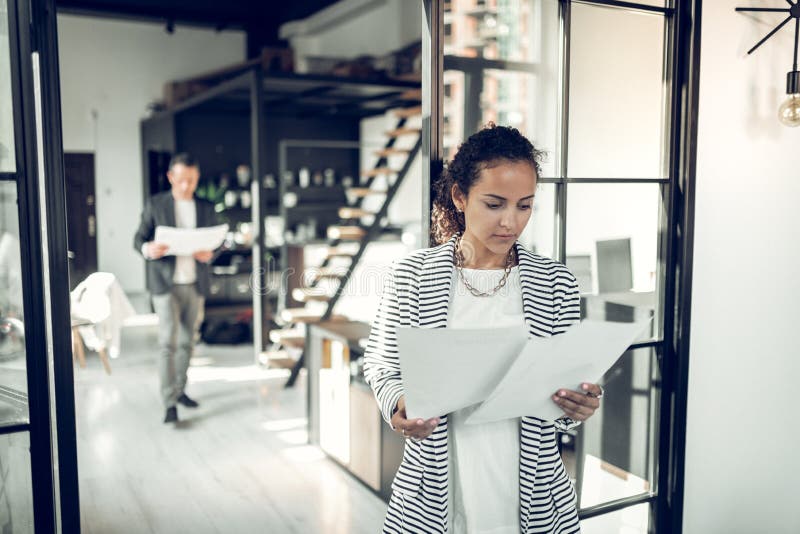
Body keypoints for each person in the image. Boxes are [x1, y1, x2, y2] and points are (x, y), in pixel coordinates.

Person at [363, 124, 603, 533]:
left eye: (524, 206)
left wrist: (580, 403)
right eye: (495, 204)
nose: (510, 222)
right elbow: (382, 365)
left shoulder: (555, 281)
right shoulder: (412, 276)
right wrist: (400, 404)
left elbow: (568, 379)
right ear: (460, 196)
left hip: (534, 490)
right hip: (435, 487)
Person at [134, 153, 218, 424]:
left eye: (192, 181)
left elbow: (214, 243)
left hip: (195, 282)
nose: (186, 186)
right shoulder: (156, 204)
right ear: (171, 177)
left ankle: (180, 389)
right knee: (167, 343)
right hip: (165, 283)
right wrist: (149, 249)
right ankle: (169, 402)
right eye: (181, 180)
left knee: (187, 342)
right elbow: (138, 239)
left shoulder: (205, 207)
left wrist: (210, 254)